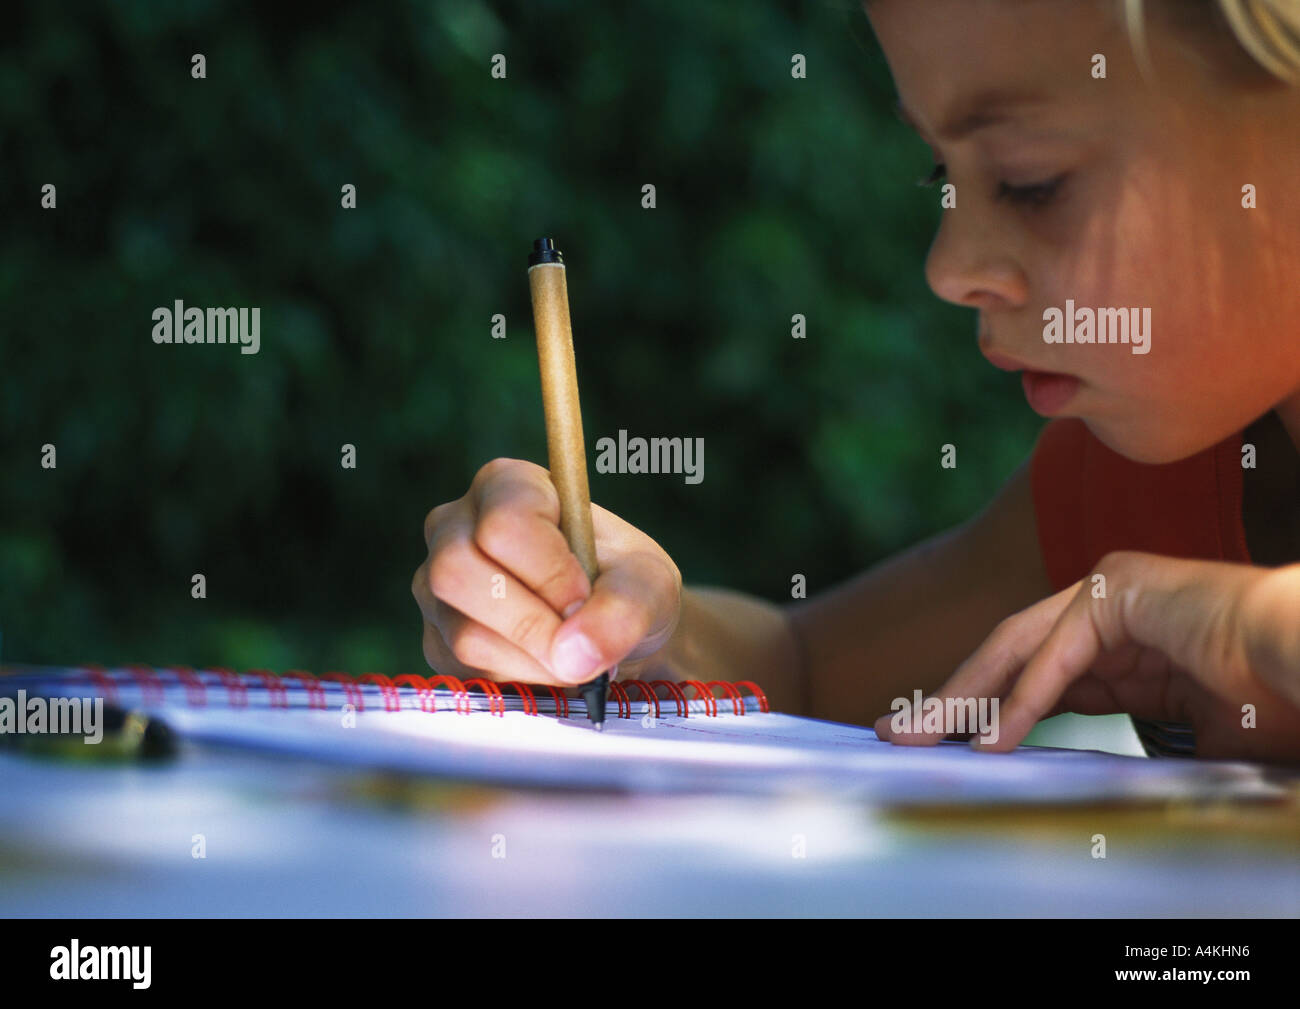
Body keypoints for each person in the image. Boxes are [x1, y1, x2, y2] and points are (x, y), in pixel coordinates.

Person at [413, 0, 1300, 762]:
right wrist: (628, 627)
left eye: (1031, 180)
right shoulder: (1145, 485)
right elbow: (808, 668)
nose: (949, 267)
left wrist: (1251, 624)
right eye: (943, 175)